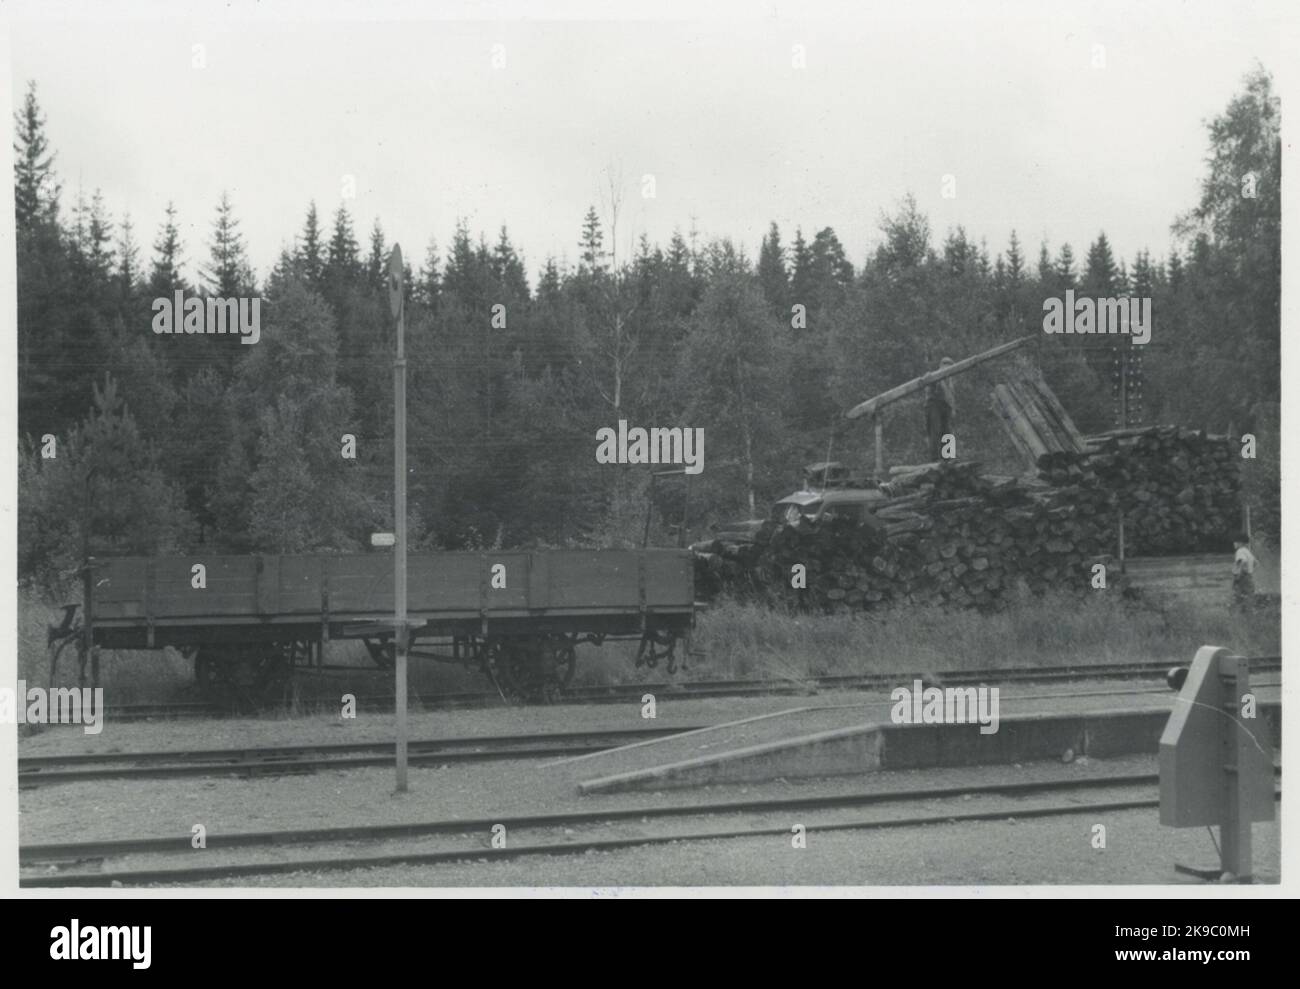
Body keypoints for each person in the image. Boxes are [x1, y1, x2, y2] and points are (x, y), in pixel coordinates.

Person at [924, 357, 956, 461]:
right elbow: (926, 381)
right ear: (941, 366)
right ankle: (934, 458)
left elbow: (951, 395)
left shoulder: (950, 380)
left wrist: (952, 408)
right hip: (933, 405)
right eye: (946, 367)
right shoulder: (934, 375)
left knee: (948, 432)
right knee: (935, 430)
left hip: (945, 406)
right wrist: (929, 377)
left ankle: (948, 458)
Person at [1231, 532, 1258, 612]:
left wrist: (1238, 574)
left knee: (1238, 598)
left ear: (1240, 542)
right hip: (1249, 577)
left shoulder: (1239, 551)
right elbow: (1256, 563)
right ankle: (1249, 615)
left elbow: (1242, 561)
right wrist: (1249, 569)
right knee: (1249, 597)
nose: (1234, 544)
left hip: (1242, 577)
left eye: (1235, 542)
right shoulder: (1247, 551)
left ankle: (1239, 616)